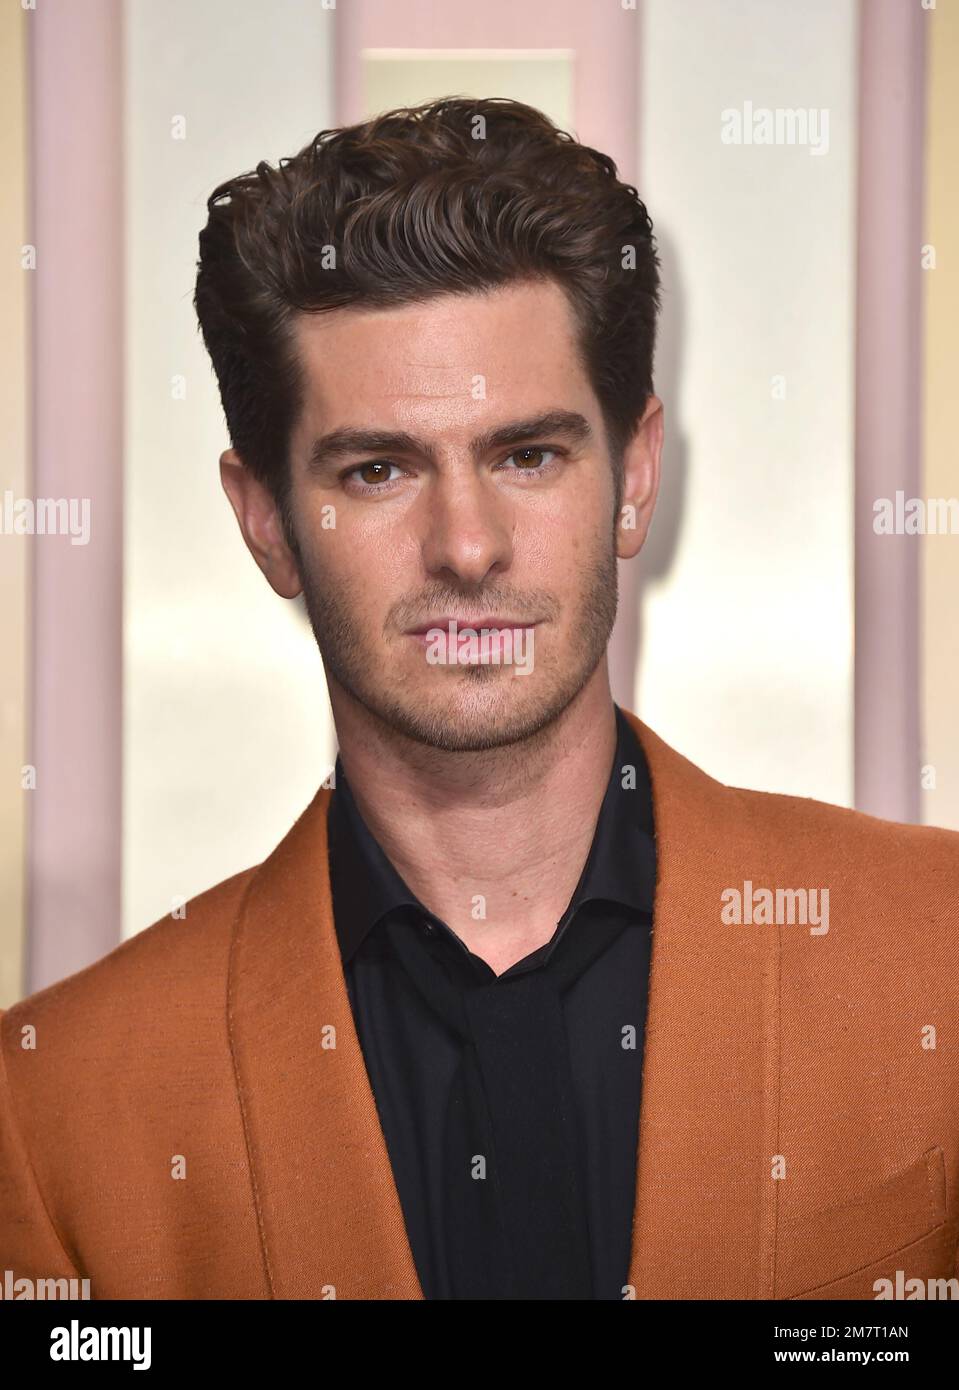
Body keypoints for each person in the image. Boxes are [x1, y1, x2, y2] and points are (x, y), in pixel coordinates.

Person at [1, 97, 956, 1301]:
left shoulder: (939, 948)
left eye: (527, 455)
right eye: (380, 469)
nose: (466, 545)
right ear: (266, 524)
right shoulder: (52, 1112)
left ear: (634, 476)